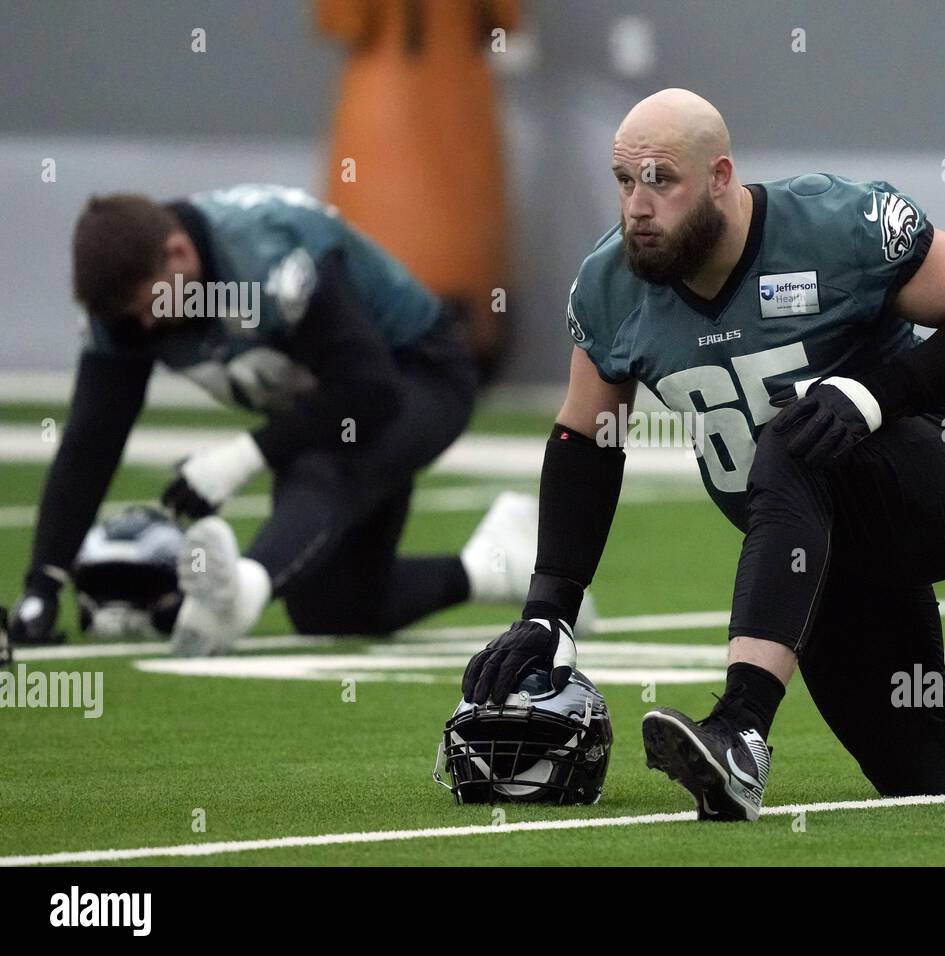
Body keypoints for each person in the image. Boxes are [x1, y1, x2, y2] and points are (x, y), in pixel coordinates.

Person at [460, 89, 945, 821]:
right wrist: (550, 613)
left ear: (720, 177)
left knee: (790, 439)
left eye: (660, 179)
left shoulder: (831, 227)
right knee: (916, 759)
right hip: (822, 548)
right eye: (623, 180)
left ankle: (740, 729)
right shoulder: (612, 286)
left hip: (942, 477)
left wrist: (871, 394)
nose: (638, 205)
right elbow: (586, 439)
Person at [8, 184, 546, 656]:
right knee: (331, 608)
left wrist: (243, 457)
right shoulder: (133, 309)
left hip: (419, 376)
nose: (145, 325)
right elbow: (91, 440)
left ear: (178, 252)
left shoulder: (264, 252)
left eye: (149, 306)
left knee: (322, 464)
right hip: (329, 406)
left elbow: (367, 388)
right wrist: (42, 585)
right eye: (130, 318)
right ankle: (497, 564)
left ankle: (238, 594)